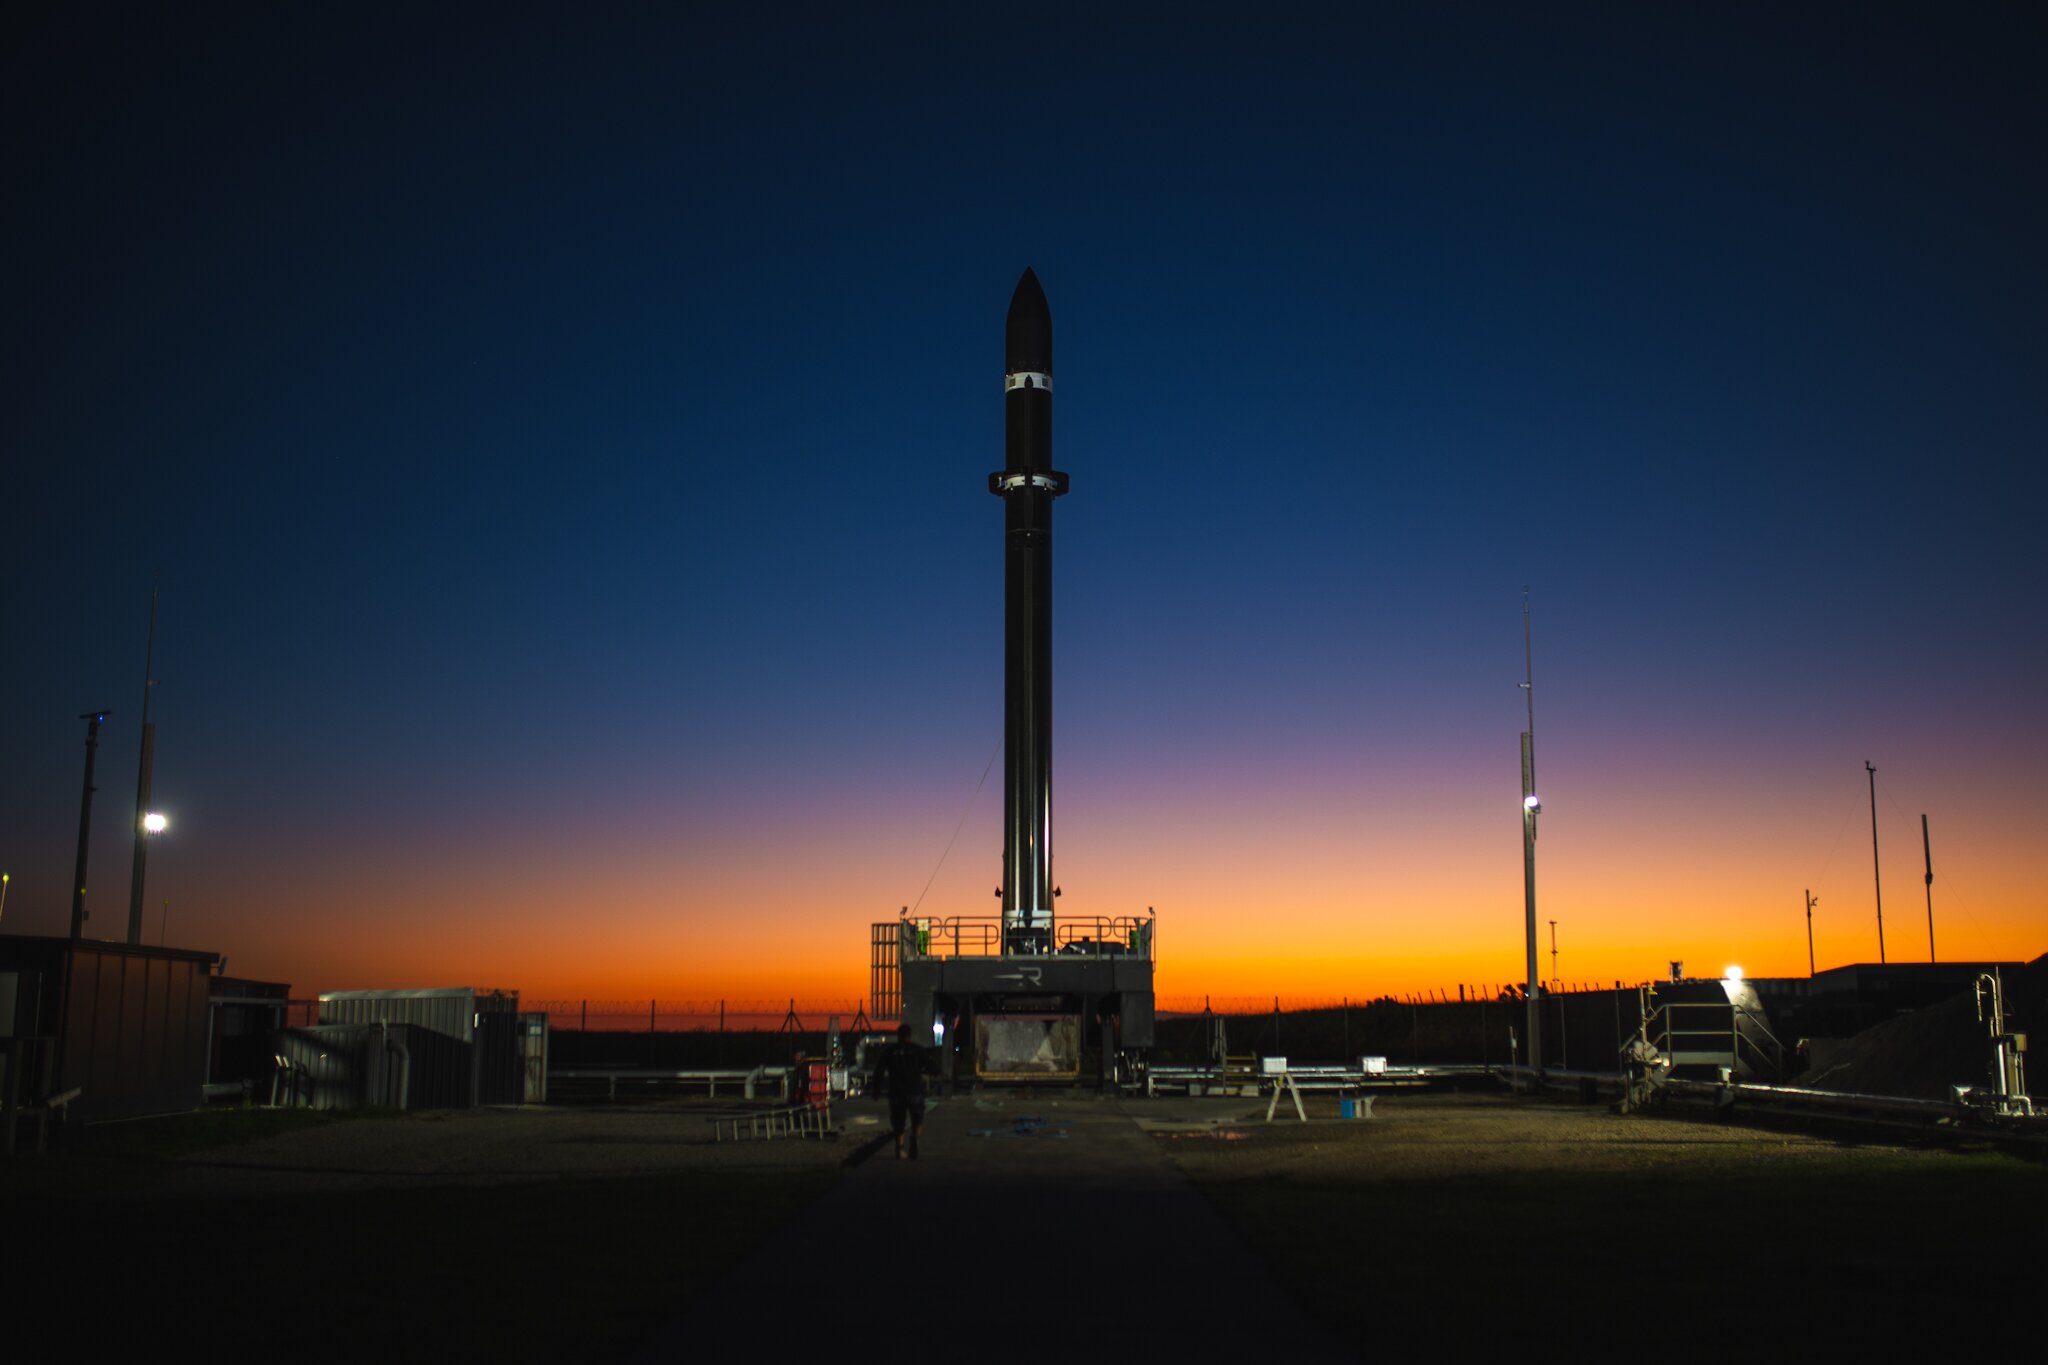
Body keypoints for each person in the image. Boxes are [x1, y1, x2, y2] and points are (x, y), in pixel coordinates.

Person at [873, 1023, 938, 1159]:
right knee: (917, 1118)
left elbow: (879, 1071)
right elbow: (932, 1066)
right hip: (915, 1090)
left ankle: (900, 1148)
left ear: (898, 1036)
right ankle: (914, 1136)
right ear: (910, 1035)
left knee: (899, 1122)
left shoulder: (889, 1051)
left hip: (896, 1092)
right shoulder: (918, 1050)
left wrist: (876, 1090)